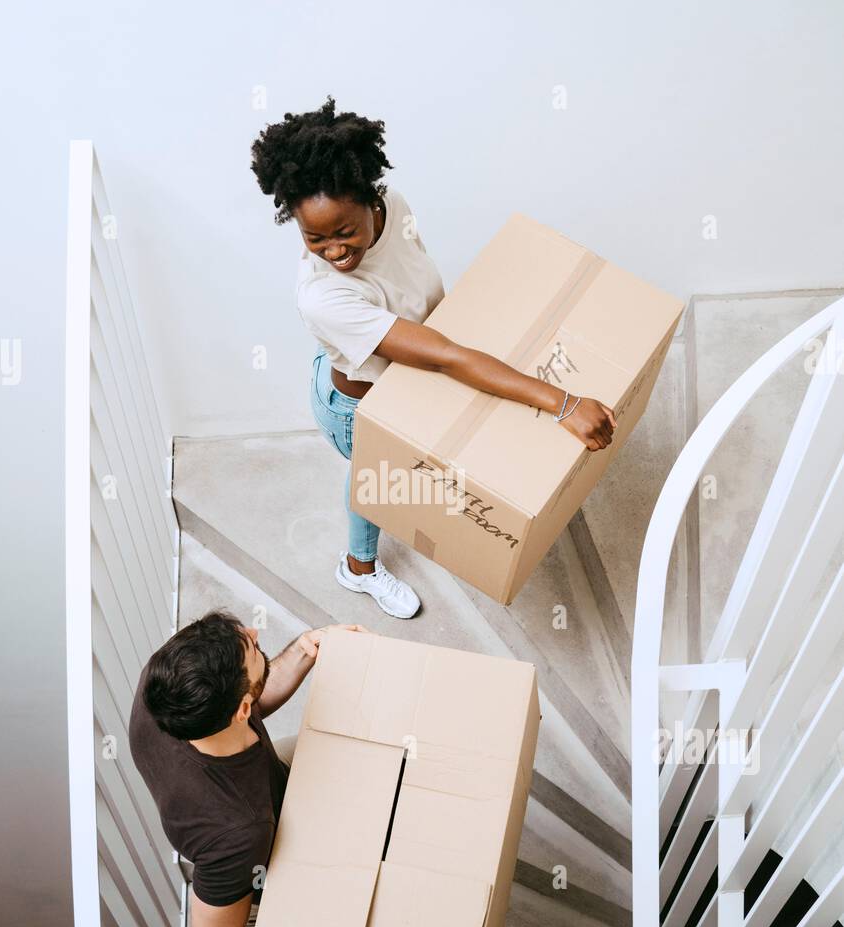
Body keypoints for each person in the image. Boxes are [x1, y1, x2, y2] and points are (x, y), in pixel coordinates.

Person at [250, 95, 616, 618]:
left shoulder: (393, 205)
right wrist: (562, 402)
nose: (333, 250)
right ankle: (358, 570)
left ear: (369, 199)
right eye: (315, 238)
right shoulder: (321, 296)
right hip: (360, 407)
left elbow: (417, 289)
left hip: (396, 370)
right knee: (371, 484)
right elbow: (443, 355)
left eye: (345, 231)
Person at [129, 612, 400, 927]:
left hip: (267, 785)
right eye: (252, 648)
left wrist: (309, 646)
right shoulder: (237, 831)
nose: (255, 631)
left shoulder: (165, 681)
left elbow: (257, 694)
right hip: (256, 865)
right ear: (240, 711)